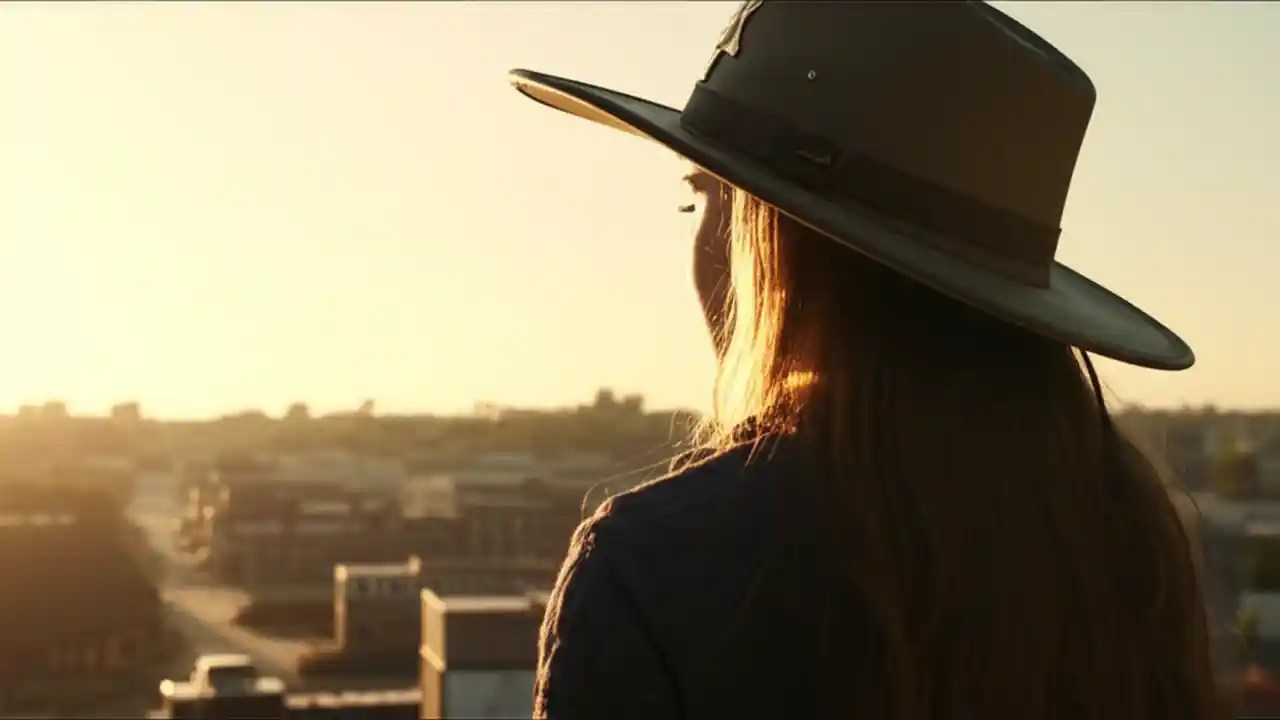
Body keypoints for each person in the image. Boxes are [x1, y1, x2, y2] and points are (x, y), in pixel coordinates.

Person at [508, 2, 1224, 719]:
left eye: (709, 197)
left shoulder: (656, 565)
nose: (703, 247)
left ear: (777, 246)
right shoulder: (1124, 535)